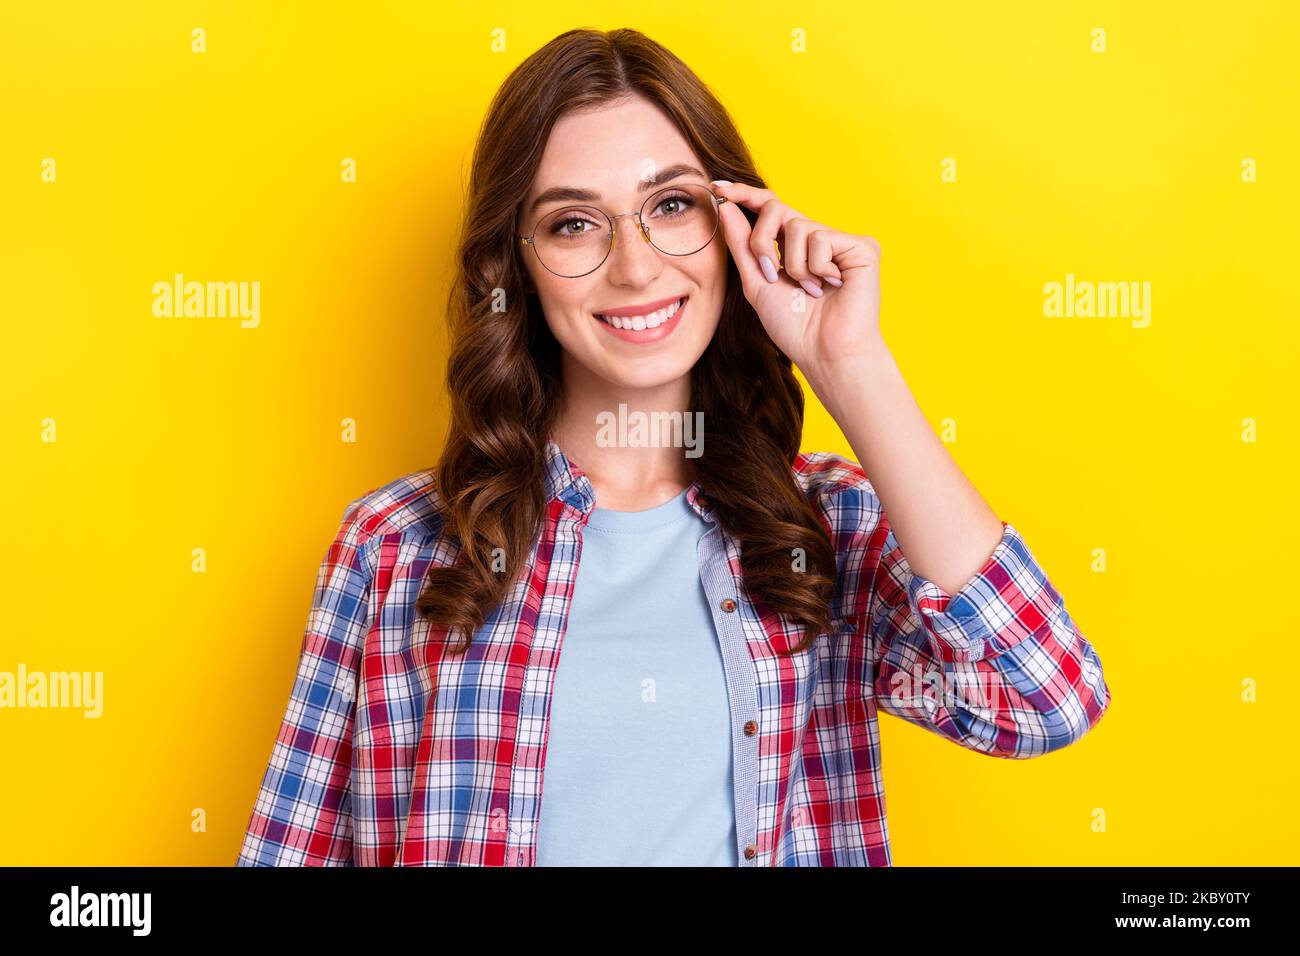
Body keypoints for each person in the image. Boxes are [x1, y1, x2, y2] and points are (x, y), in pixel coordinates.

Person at [237, 27, 1111, 867]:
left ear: (738, 227)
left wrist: (851, 364)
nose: (637, 267)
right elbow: (292, 848)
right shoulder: (395, 548)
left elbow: (1044, 701)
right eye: (574, 224)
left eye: (672, 206)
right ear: (518, 264)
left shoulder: (824, 529)